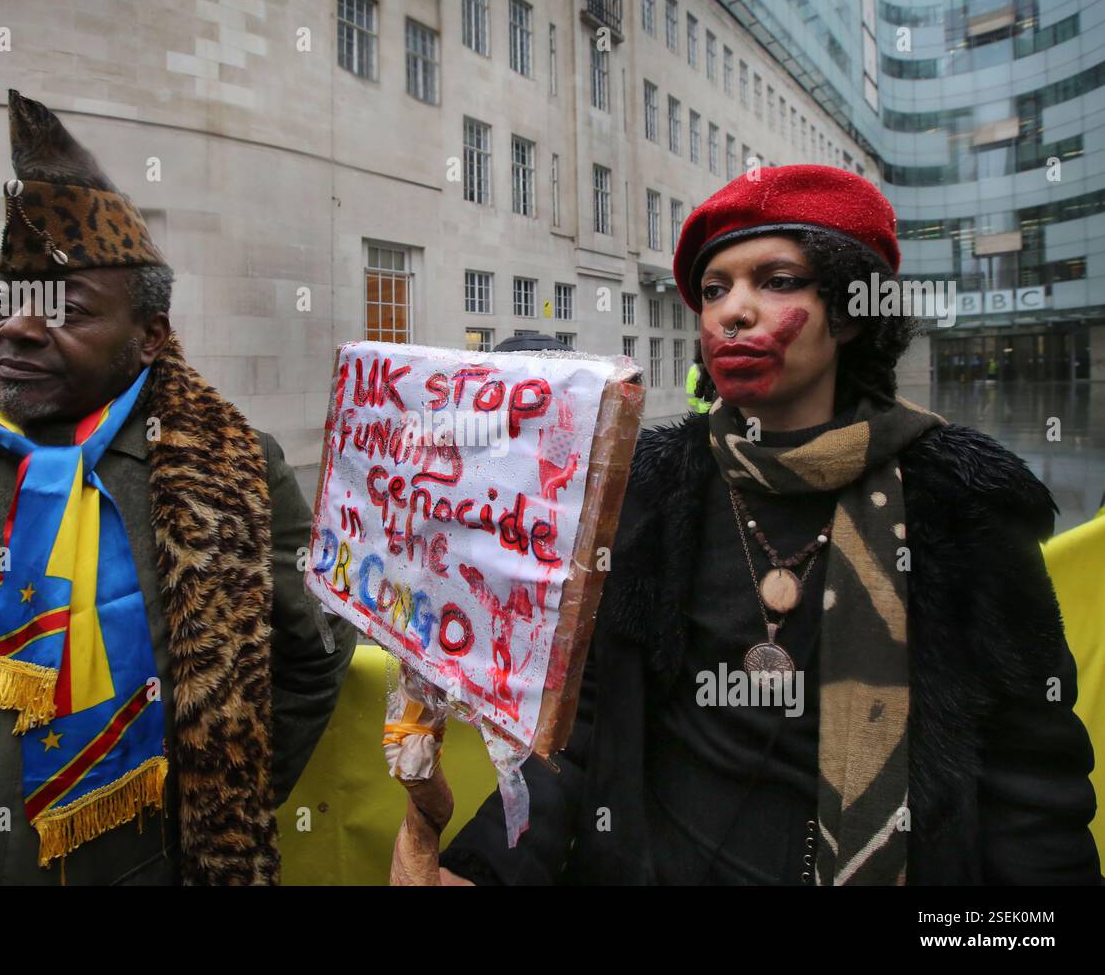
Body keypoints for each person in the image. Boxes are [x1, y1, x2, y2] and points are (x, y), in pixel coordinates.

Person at [439, 165, 1099, 885]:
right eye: (715, 289)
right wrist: (482, 869)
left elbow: (1033, 785)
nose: (732, 311)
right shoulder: (648, 486)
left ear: (847, 311)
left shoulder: (964, 502)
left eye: (777, 280)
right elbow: (581, 727)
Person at [0, 90, 355, 886]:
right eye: (13, 301)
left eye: (65, 309)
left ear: (149, 338)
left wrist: (203, 821)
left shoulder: (230, 472)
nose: (20, 328)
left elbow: (308, 664)